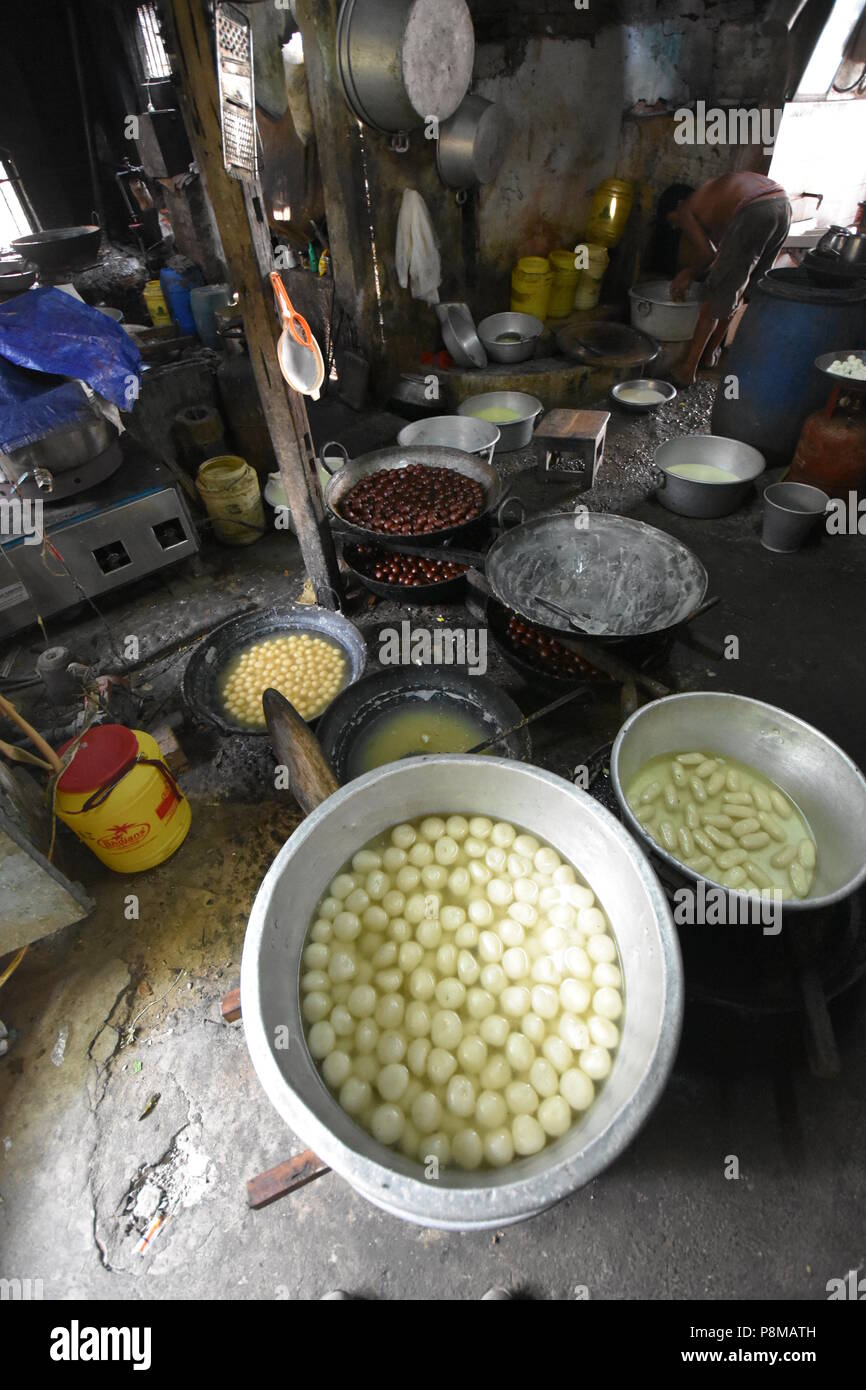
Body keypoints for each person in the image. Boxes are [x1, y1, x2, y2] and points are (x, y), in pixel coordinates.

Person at [665, 172, 791, 386]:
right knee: (738, 288)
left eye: (672, 221)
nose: (676, 227)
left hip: (757, 210)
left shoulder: (686, 209)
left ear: (677, 205)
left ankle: (687, 369)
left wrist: (689, 273)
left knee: (716, 293)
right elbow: (720, 255)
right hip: (782, 206)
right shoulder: (713, 197)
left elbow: (708, 255)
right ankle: (710, 354)